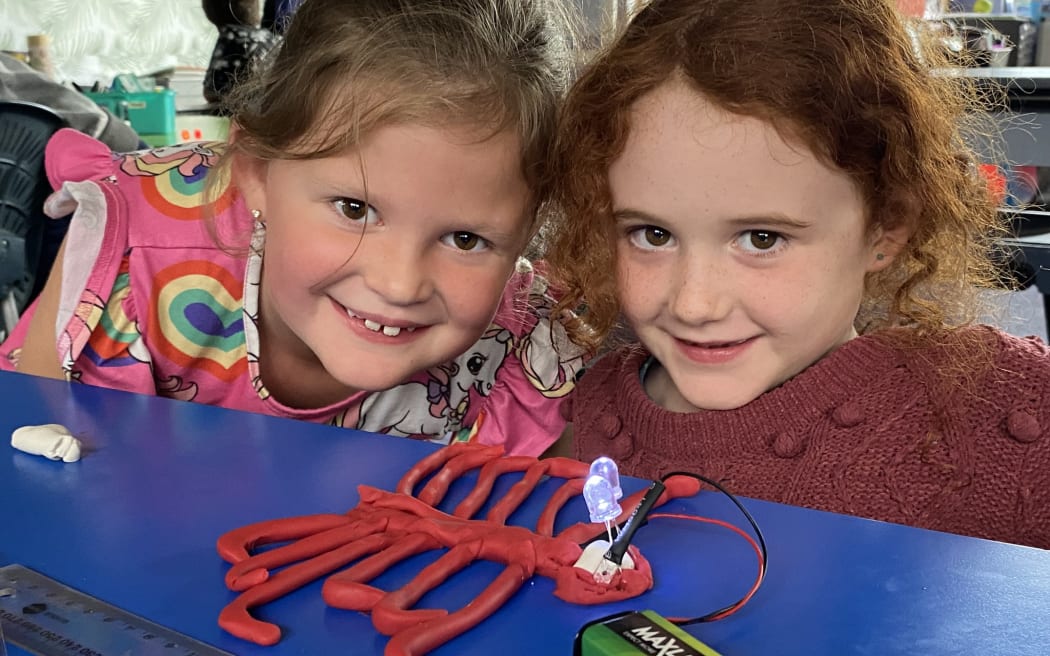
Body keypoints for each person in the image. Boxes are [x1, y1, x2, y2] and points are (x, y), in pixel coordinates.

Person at [544, 0, 1050, 548]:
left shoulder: (994, 406)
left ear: (885, 227)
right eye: (651, 234)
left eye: (763, 239)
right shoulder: (591, 408)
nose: (694, 304)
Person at [1, 0, 584, 457]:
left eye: (466, 239)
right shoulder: (134, 261)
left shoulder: (520, 358)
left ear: (527, 233)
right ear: (256, 173)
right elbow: (41, 467)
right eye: (354, 209)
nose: (400, 284)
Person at [201, 0, 277, 106]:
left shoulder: (230, 36)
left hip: (247, 110)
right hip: (275, 104)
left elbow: (211, 92)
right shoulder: (269, 37)